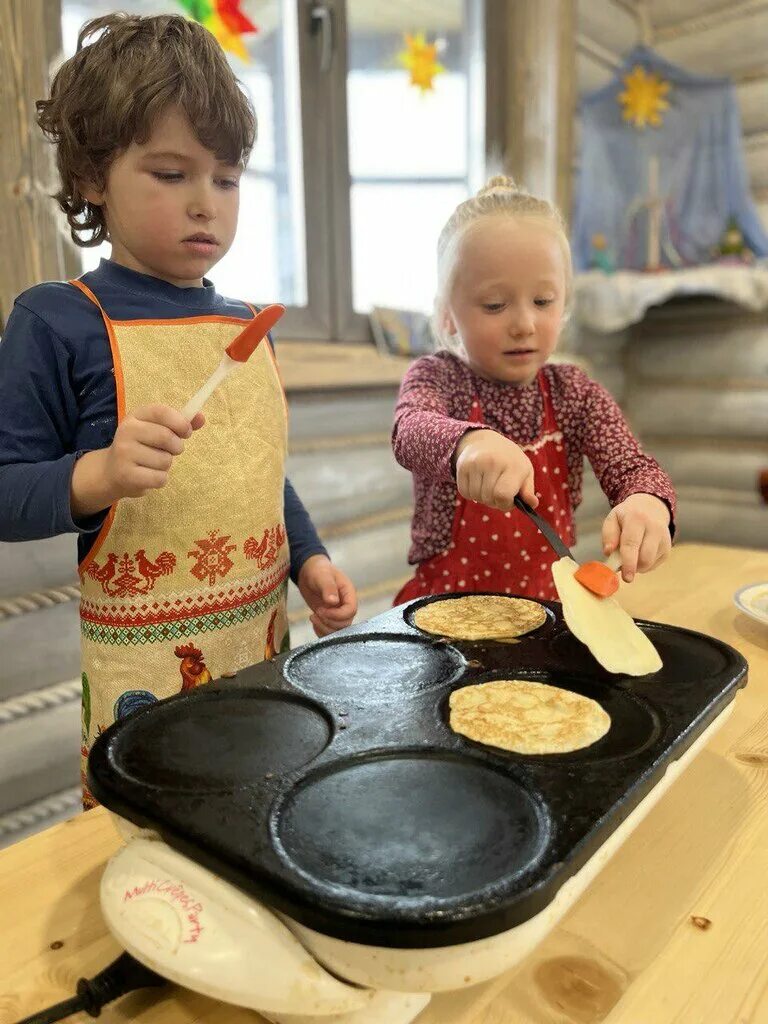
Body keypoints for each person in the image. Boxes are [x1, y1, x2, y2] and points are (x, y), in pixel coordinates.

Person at [0, 13, 356, 806]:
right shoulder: (58, 320)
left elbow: (259, 474)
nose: (206, 204)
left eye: (225, 180)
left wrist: (310, 557)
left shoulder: (247, 328)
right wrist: (95, 474)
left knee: (261, 819)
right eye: (170, 174)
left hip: (264, 656)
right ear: (92, 177)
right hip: (144, 683)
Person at [392, 176, 675, 604]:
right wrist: (466, 444)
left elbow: (631, 466)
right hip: (444, 616)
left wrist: (648, 503)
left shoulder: (573, 393)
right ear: (448, 316)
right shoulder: (439, 378)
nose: (524, 323)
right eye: (494, 305)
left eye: (543, 301)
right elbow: (409, 429)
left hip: (548, 613)